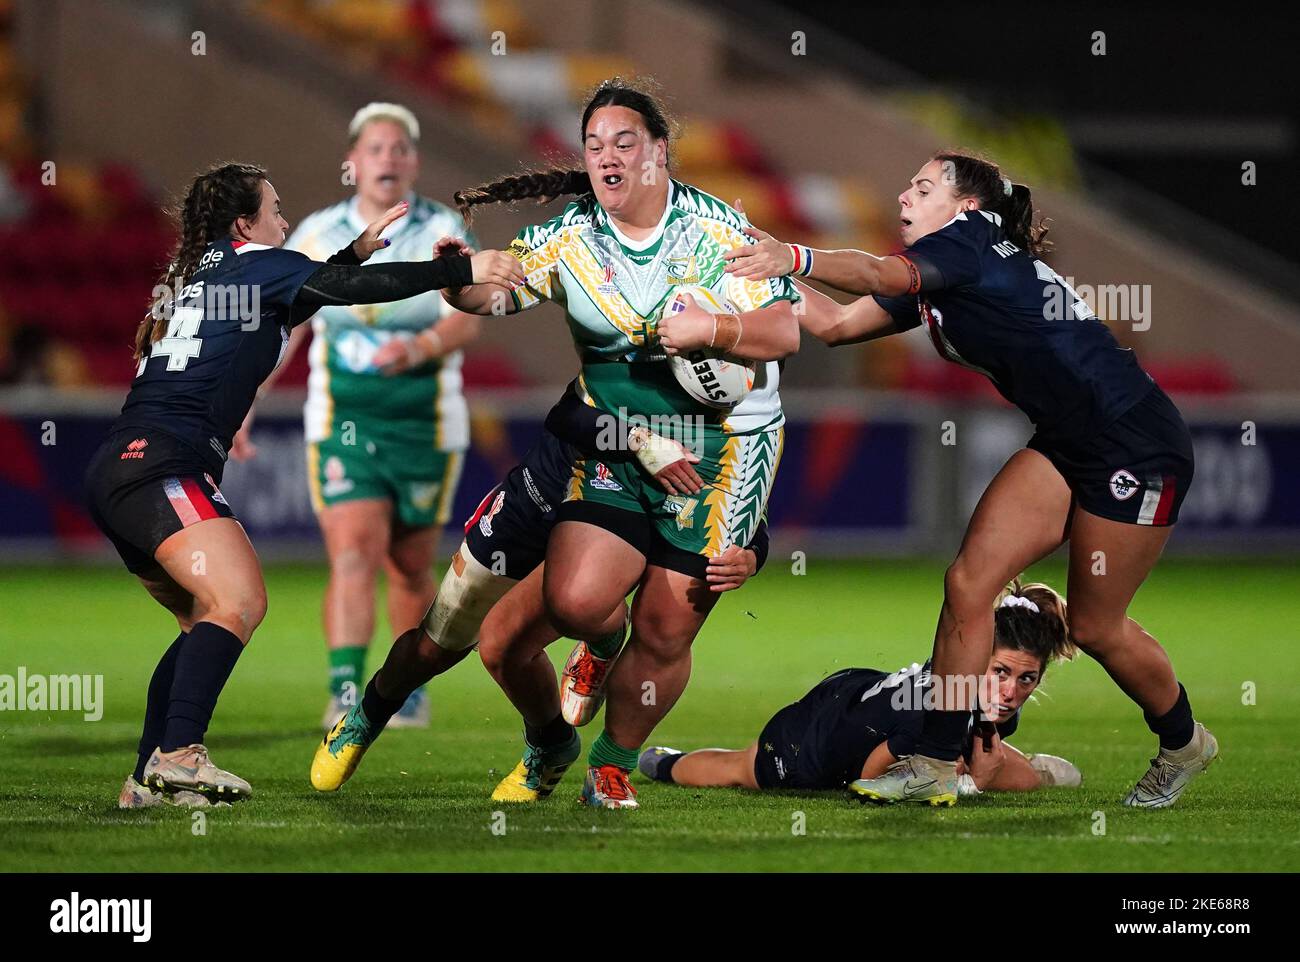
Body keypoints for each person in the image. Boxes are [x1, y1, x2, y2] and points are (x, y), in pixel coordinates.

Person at [724, 151, 1216, 808]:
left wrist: (795, 256)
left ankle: (1184, 741)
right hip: (1070, 442)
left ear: (966, 209)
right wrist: (755, 265)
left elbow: (876, 272)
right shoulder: (943, 275)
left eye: (922, 186)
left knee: (1096, 626)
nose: (904, 193)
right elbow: (839, 326)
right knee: (968, 583)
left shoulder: (970, 244)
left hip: (1134, 441)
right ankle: (931, 757)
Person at [87, 161, 523, 808]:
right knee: (239, 601)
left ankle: (145, 778)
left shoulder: (204, 277)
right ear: (245, 224)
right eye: (275, 208)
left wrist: (351, 252)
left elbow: (309, 292)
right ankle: (180, 756)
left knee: (200, 620)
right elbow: (346, 291)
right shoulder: (256, 262)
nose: (285, 221)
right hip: (164, 465)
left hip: (122, 469)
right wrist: (460, 271)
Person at [440, 77, 800, 809]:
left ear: (658, 153)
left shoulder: (720, 231)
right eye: (594, 144)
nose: (606, 157)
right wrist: (458, 282)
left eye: (624, 142)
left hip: (721, 452)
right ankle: (598, 650)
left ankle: (611, 765)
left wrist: (713, 330)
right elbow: (499, 294)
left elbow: (785, 331)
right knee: (576, 601)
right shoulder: (570, 234)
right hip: (619, 442)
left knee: (668, 627)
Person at [309, 378, 771, 798]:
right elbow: (568, 412)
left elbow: (738, 468)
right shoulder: (622, 318)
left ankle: (592, 724)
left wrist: (755, 546)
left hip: (621, 504)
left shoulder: (723, 360)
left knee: (547, 627)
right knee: (447, 642)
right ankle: (369, 715)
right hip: (544, 492)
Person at [233, 103, 481, 730]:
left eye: (400, 148)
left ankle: (405, 690)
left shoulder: (444, 227)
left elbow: (470, 311)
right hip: (343, 420)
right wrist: (245, 402)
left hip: (425, 422)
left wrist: (421, 347)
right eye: (376, 148)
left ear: (415, 162)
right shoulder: (318, 234)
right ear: (352, 163)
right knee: (353, 556)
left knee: (409, 565)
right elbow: (282, 329)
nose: (389, 159)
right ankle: (346, 690)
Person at [640, 581, 1082, 800]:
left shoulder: (978, 694)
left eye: (1027, 679)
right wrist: (972, 785)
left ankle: (1026, 768)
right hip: (809, 741)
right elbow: (868, 780)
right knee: (742, 769)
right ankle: (668, 764)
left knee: (994, 765)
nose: (1010, 691)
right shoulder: (927, 711)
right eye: (1000, 672)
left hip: (865, 696)